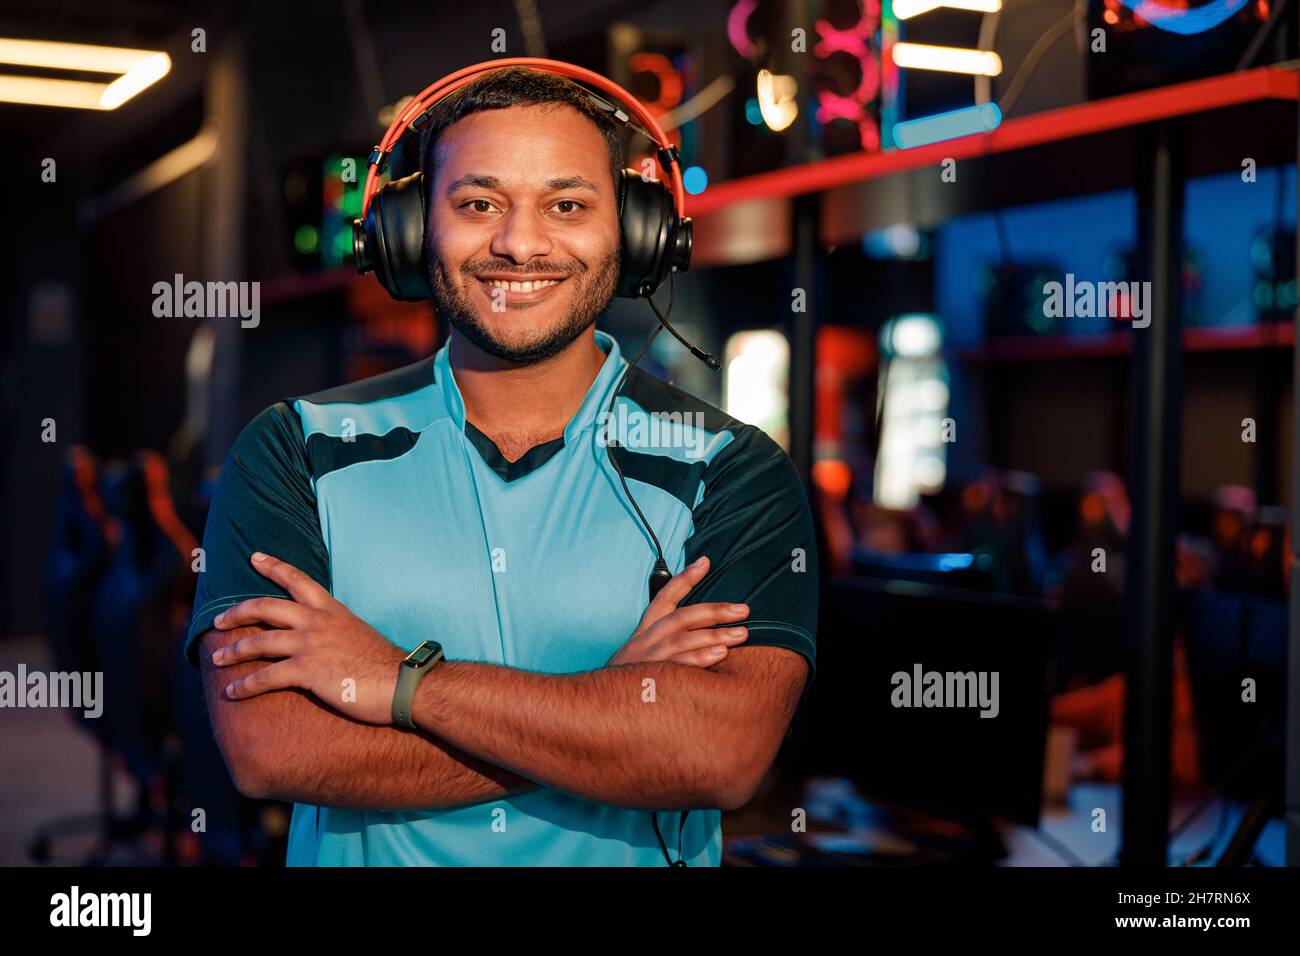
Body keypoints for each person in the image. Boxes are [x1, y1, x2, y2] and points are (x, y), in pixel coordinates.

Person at [185, 66, 818, 866]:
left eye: (568, 205)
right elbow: (269, 745)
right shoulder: (296, 448)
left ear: (638, 232)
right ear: (409, 231)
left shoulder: (731, 468)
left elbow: (718, 754)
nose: (520, 243)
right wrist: (608, 712)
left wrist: (400, 684)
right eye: (477, 204)